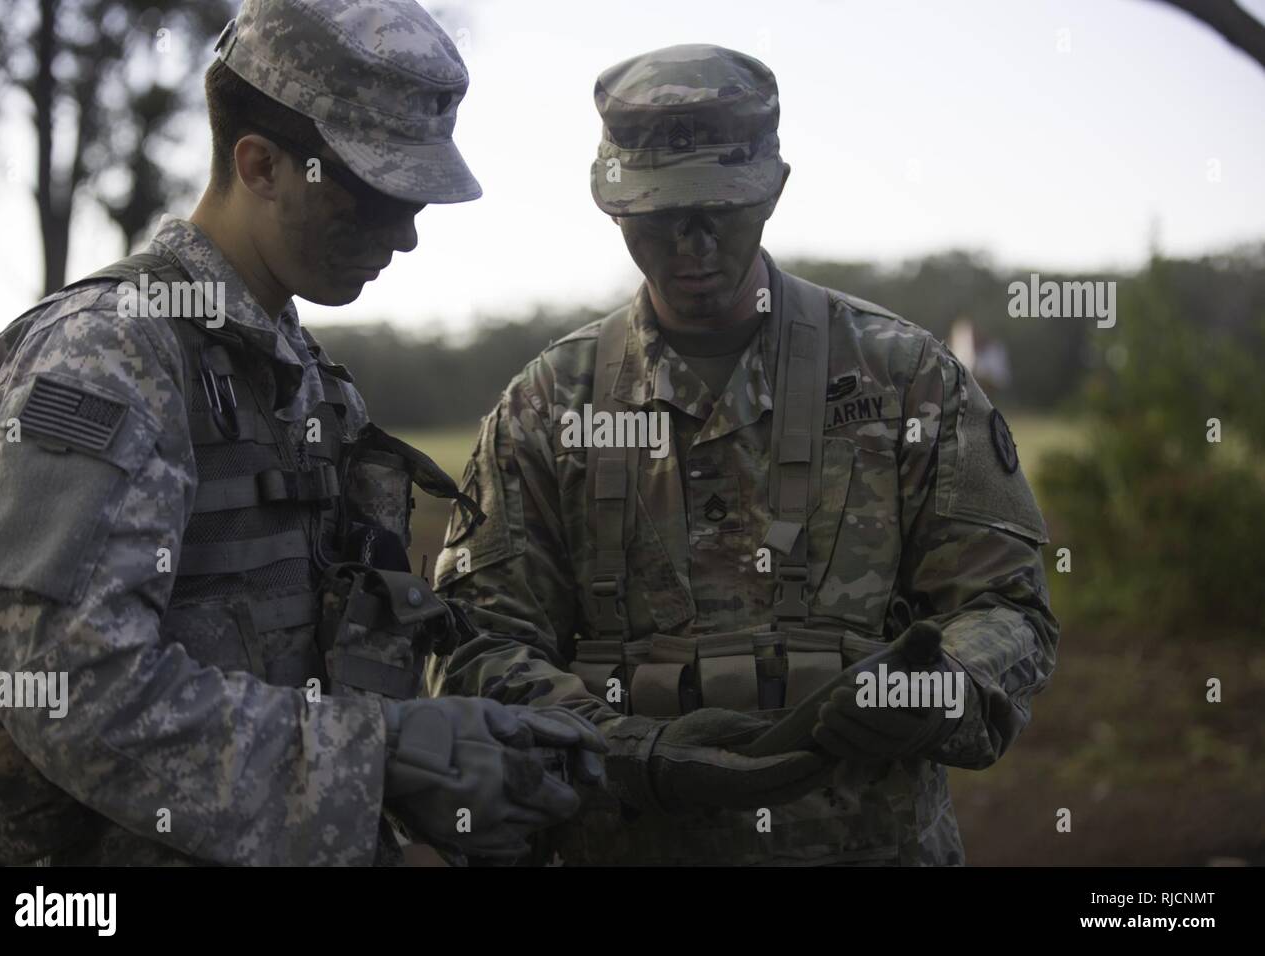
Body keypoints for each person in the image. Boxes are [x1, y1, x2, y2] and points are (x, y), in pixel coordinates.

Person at [0, 0, 602, 867]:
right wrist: (381, 758)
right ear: (260, 165)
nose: (406, 236)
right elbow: (69, 690)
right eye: (375, 201)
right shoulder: (109, 353)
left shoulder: (303, 377)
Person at [433, 43, 1059, 865]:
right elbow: (474, 646)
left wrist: (939, 688)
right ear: (615, 208)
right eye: (662, 215)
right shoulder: (548, 408)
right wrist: (624, 749)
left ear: (772, 192)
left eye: (720, 209)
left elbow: (1010, 611)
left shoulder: (908, 380)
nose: (693, 244)